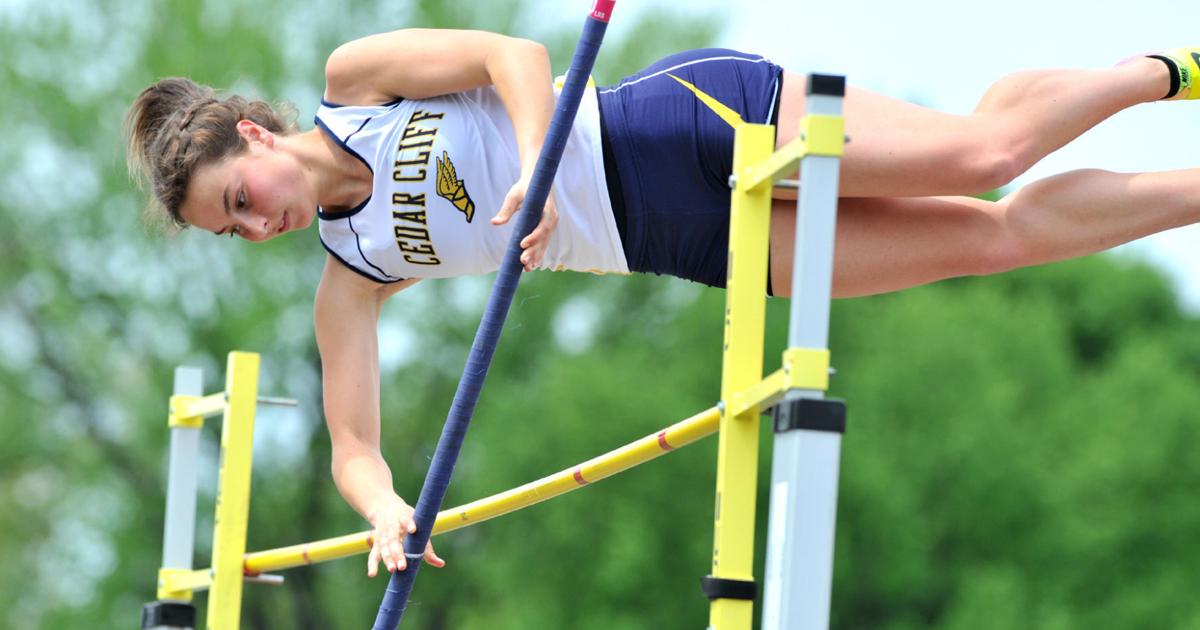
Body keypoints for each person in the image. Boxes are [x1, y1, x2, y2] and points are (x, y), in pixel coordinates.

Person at [124, 28, 1200, 579]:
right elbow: (351, 441)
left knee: (984, 153)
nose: (258, 226)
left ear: (253, 138)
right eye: (236, 230)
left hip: (679, 125)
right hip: (681, 241)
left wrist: (539, 160)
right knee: (986, 238)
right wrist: (379, 509)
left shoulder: (355, 84)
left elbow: (516, 54)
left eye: (239, 199)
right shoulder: (352, 273)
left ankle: (1154, 74)